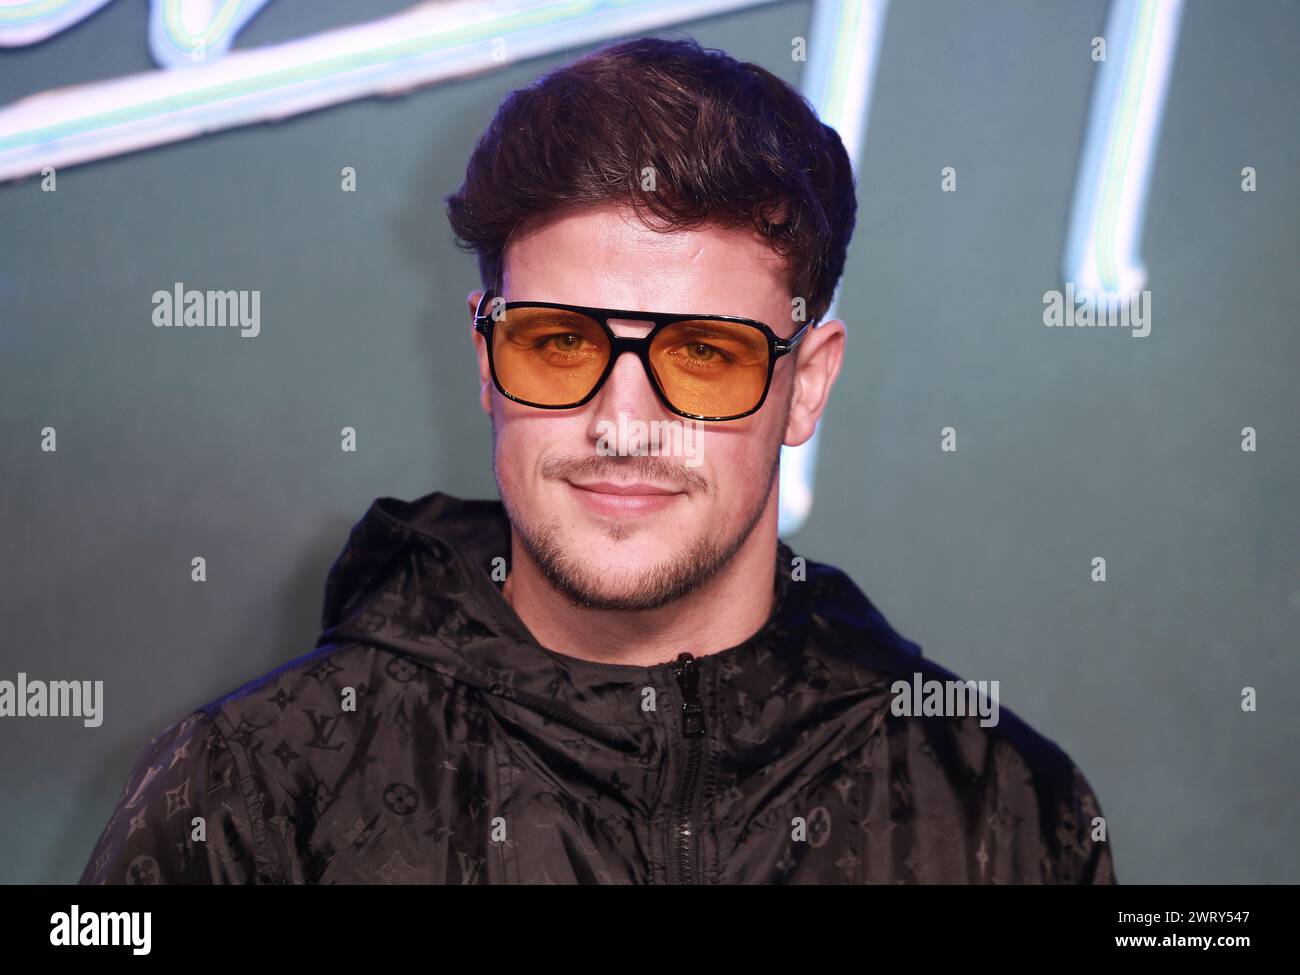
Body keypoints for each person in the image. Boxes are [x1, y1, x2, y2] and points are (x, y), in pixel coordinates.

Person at [81, 36, 1114, 885]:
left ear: (807, 384)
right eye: (561, 344)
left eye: (703, 355)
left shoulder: (1001, 809)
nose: (623, 422)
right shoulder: (251, 787)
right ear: (485, 358)